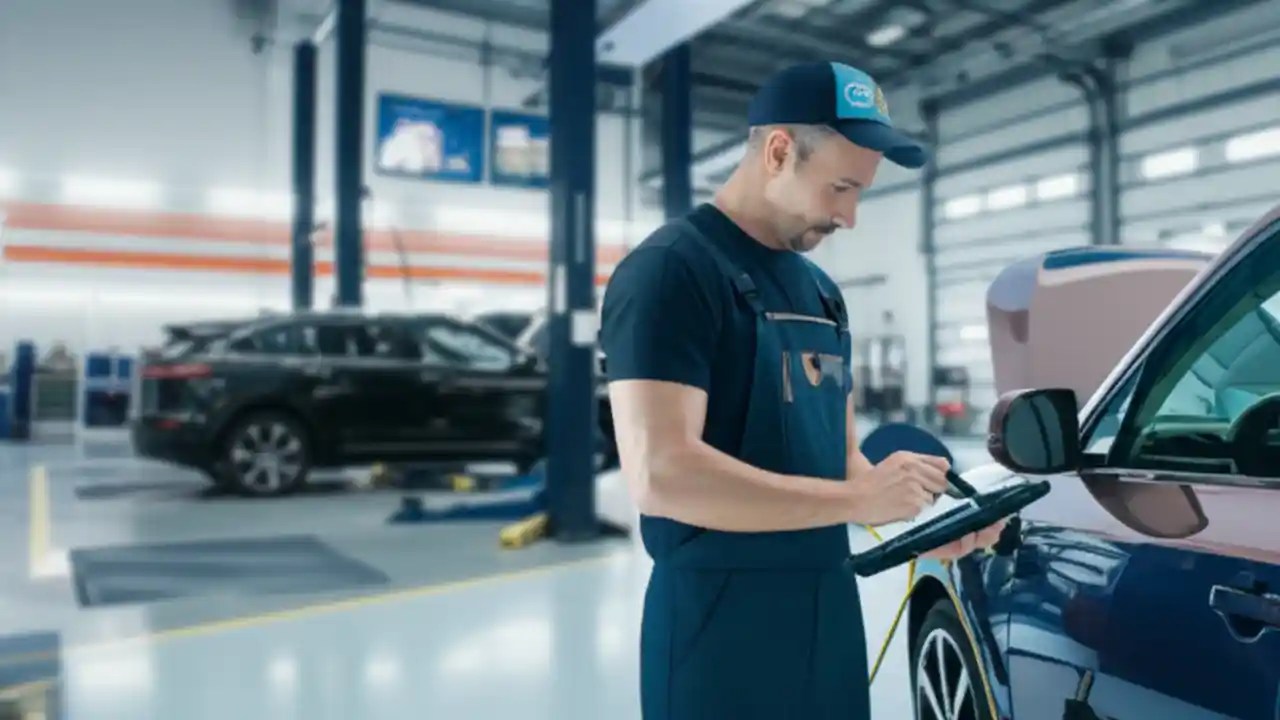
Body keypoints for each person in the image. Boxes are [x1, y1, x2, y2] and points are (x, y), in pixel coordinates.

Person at [599, 61, 1009, 719]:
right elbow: (663, 475)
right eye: (840, 187)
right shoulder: (671, 272)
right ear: (779, 151)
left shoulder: (822, 293)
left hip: (829, 612)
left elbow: (841, 466)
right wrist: (856, 497)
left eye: (860, 193)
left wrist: (920, 524)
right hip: (719, 629)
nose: (848, 216)